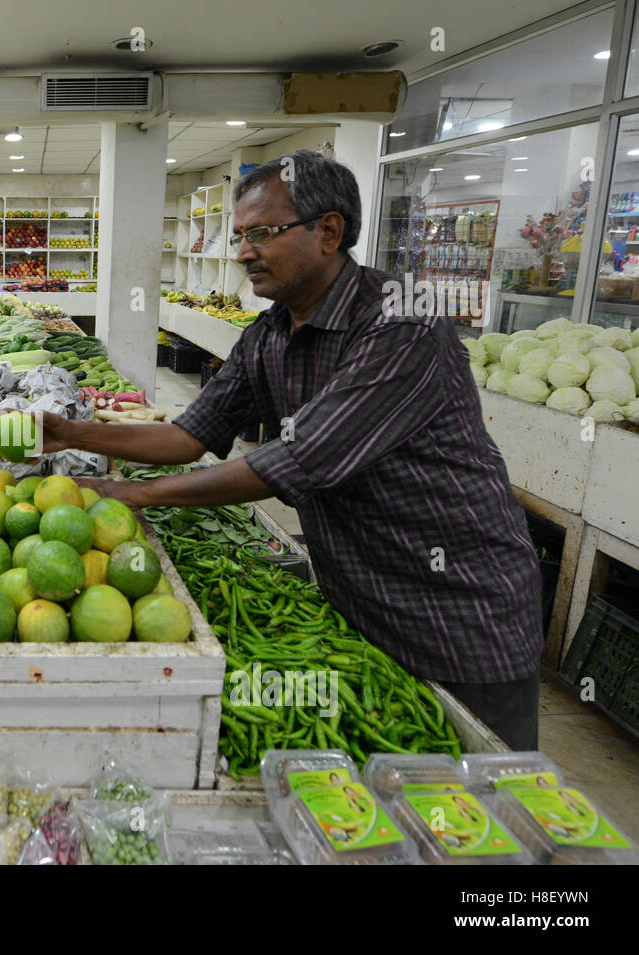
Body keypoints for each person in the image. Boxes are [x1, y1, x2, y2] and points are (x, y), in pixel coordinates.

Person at [36, 150, 544, 750]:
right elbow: (188, 436)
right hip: (356, 598)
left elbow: (296, 462)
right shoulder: (269, 335)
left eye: (262, 234)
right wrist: (72, 433)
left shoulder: (401, 323)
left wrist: (131, 495)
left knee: (479, 807)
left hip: (458, 612)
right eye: (240, 236)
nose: (243, 251)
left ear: (328, 231)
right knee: (378, 790)